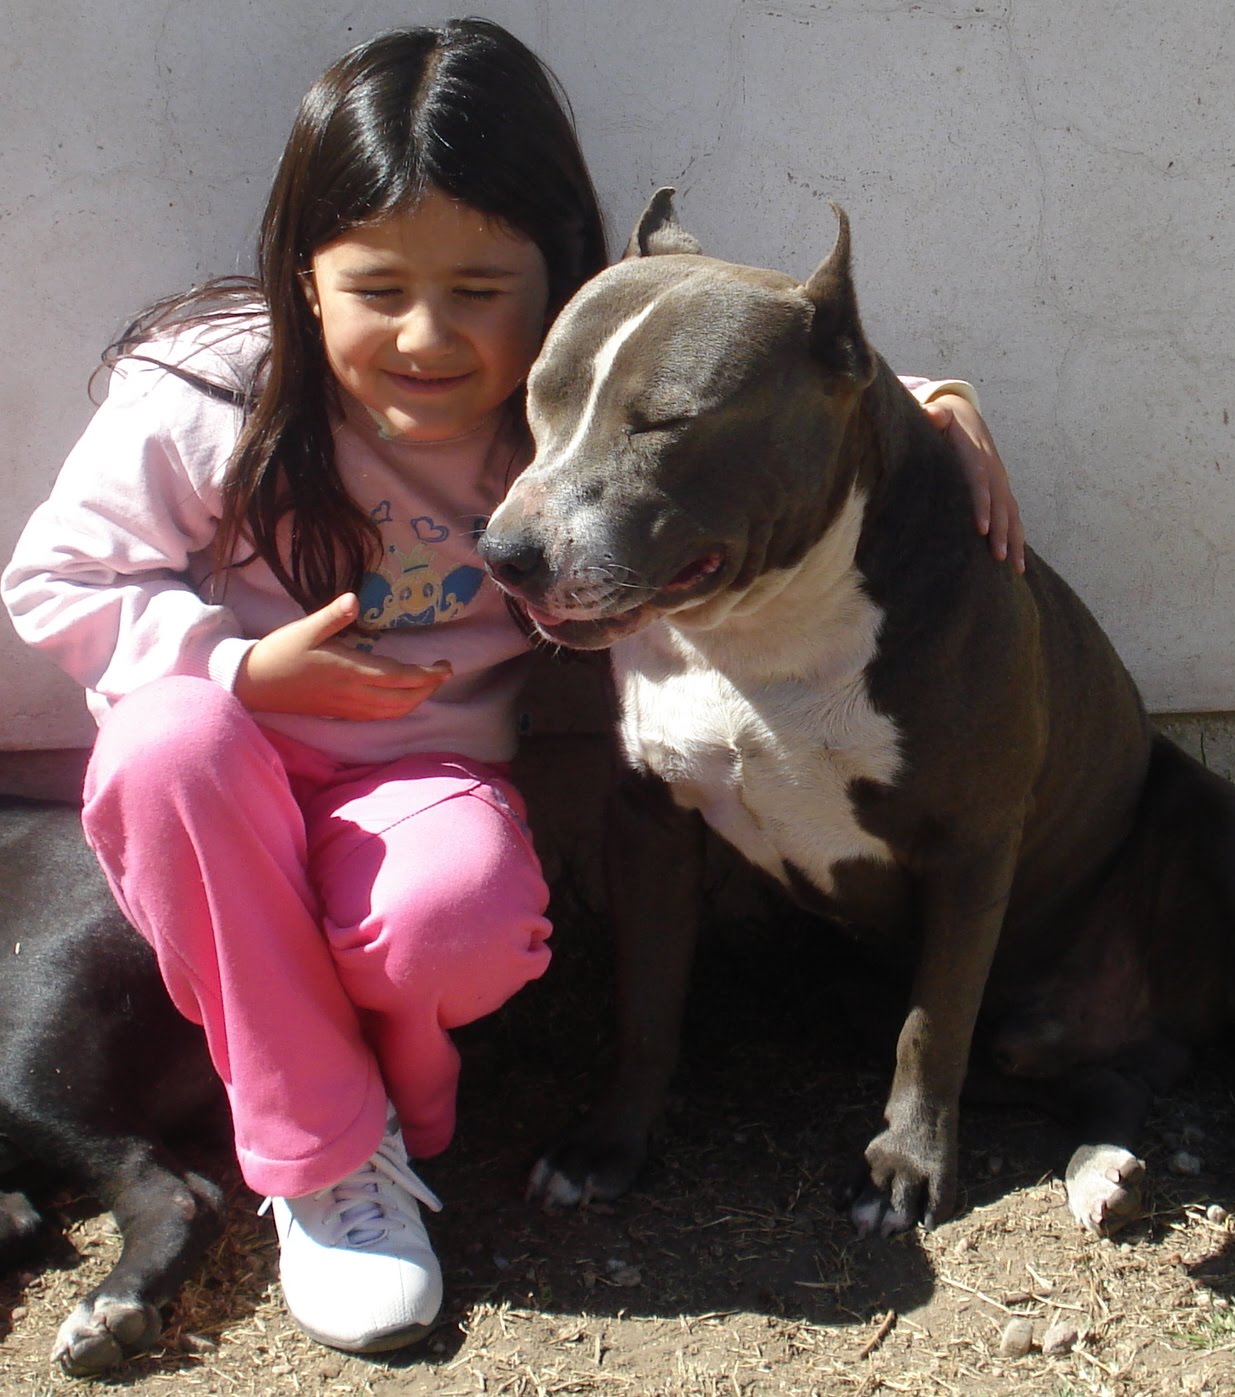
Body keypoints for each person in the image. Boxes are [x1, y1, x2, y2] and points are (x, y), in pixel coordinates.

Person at [1, 18, 1023, 1357]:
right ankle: (327, 1153)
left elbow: (751, 372)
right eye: (376, 286)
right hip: (221, 789)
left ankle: (392, 1089)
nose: (429, 336)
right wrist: (240, 665)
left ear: (560, 286)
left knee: (466, 916)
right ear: (300, 278)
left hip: (415, 790)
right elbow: (60, 577)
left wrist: (934, 398)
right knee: (172, 739)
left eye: (482, 289)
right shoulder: (211, 390)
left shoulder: (562, 398)